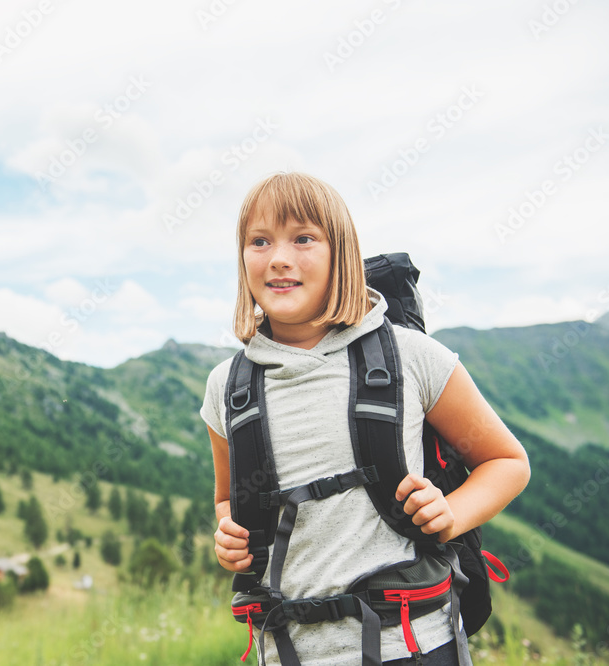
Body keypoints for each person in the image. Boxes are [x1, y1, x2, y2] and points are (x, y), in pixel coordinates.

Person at [200, 172, 530, 665]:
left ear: (343, 255)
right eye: (259, 241)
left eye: (304, 238)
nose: (278, 258)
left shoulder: (413, 357)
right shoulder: (226, 388)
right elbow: (228, 499)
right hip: (287, 650)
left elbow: (507, 461)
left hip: (413, 643)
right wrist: (228, 533)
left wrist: (452, 514)